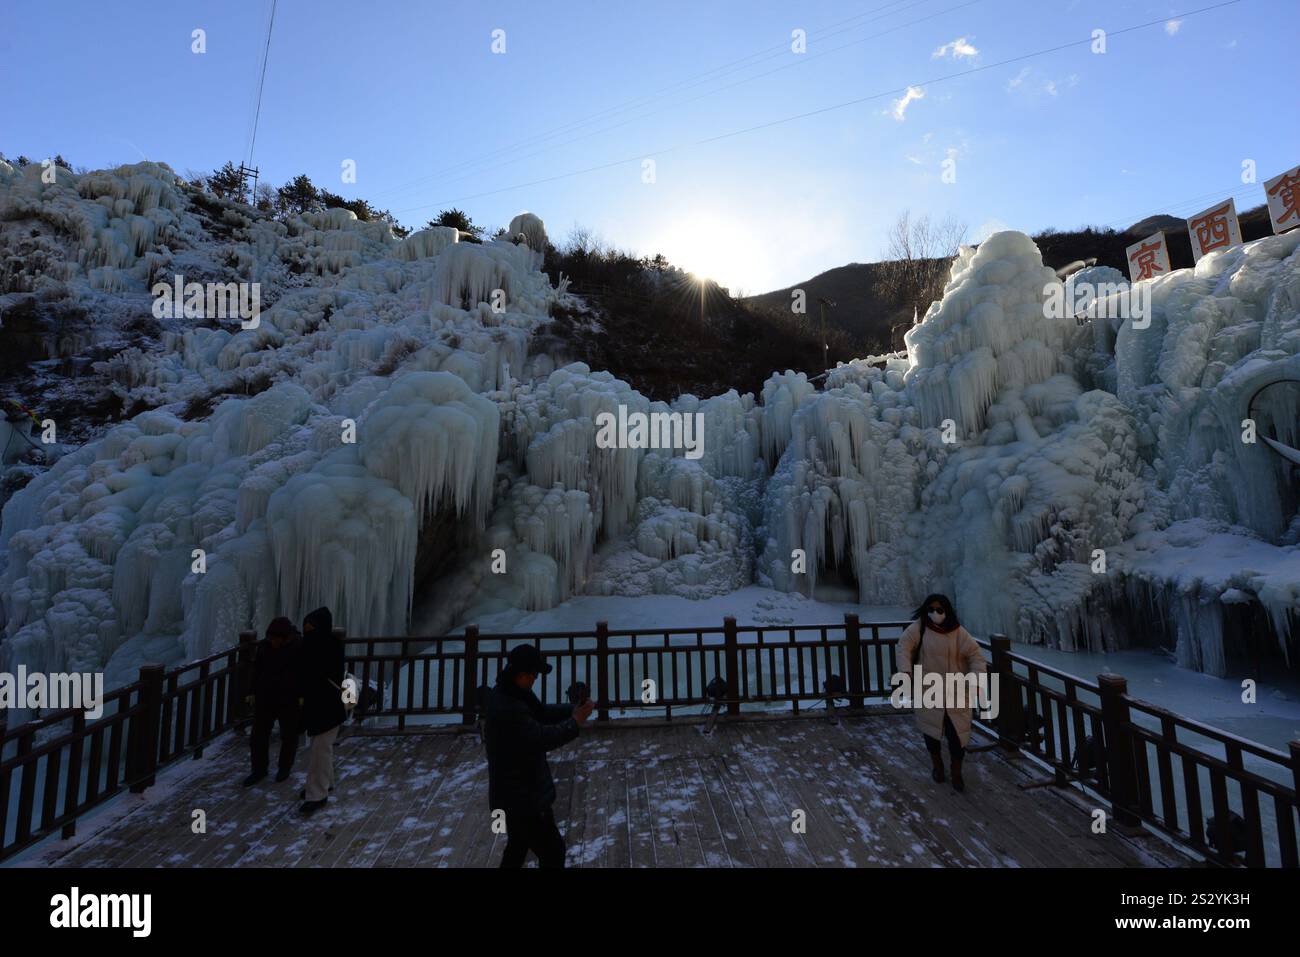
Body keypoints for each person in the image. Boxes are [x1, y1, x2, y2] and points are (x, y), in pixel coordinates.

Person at [484, 644, 594, 867]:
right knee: (553, 852)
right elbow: (542, 737)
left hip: (512, 793)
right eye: (533, 675)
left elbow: (541, 713)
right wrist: (575, 722)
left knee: (517, 847)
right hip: (523, 797)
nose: (535, 680)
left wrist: (571, 709)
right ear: (521, 675)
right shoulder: (509, 708)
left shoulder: (511, 691)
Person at [895, 593, 987, 792]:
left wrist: (976, 677)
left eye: (939, 610)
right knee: (931, 731)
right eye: (931, 610)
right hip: (929, 688)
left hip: (956, 689)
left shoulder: (959, 632)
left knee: (957, 735)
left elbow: (976, 656)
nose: (935, 614)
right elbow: (903, 647)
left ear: (947, 611)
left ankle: (956, 771)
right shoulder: (919, 628)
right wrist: (906, 670)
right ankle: (937, 765)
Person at [243, 617, 304, 787]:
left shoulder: (299, 647)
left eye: (277, 639)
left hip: (289, 698)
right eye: (271, 638)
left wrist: (301, 694)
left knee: (289, 735)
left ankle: (284, 768)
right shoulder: (265, 646)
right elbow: (257, 670)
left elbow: (304, 673)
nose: (274, 642)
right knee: (258, 736)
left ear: (286, 638)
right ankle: (259, 769)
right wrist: (252, 691)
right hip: (266, 697)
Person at [299, 606, 346, 817]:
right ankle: (325, 783)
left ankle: (317, 794)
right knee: (322, 748)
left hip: (328, 706)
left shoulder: (326, 647)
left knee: (320, 749)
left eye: (311, 628)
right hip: (320, 706)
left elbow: (321, 673)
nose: (307, 633)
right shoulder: (325, 645)